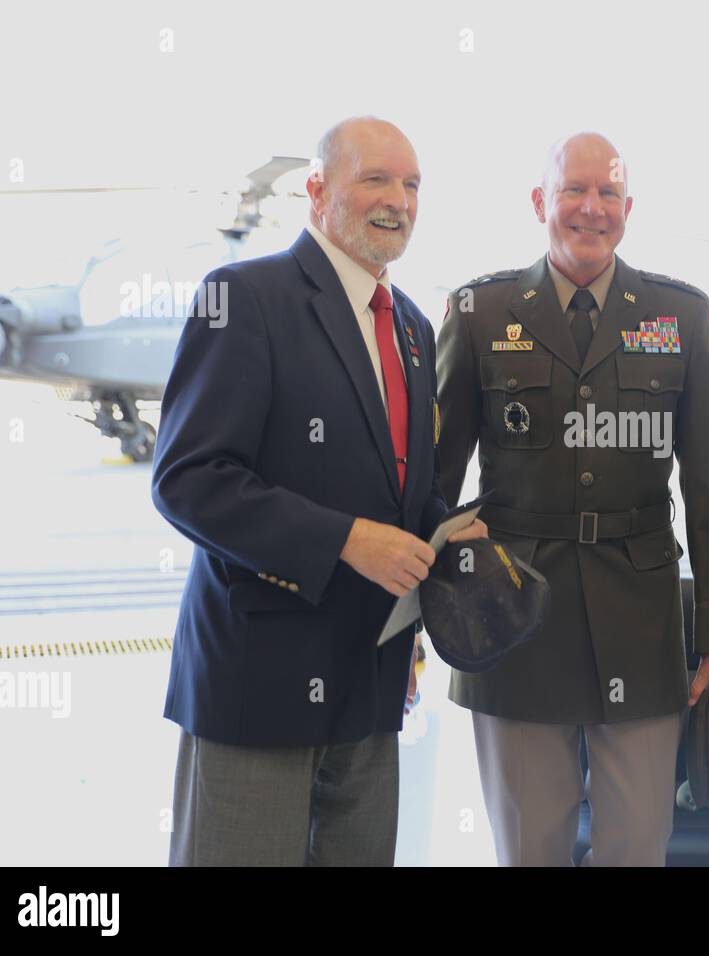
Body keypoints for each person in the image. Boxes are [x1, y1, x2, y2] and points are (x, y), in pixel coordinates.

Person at [152, 116, 485, 866]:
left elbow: (405, 488)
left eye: (412, 184)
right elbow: (189, 480)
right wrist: (343, 540)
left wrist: (446, 529)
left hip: (369, 680)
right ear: (317, 191)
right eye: (376, 179)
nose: (397, 199)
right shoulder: (242, 296)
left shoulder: (410, 325)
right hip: (258, 685)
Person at [436, 132, 709, 866]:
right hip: (514, 620)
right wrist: (427, 621)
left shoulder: (679, 315)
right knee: (530, 848)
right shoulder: (481, 310)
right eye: (574, 190)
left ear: (628, 209)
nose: (591, 207)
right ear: (541, 202)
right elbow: (434, 481)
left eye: (608, 194)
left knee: (637, 847)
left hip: (639, 621)